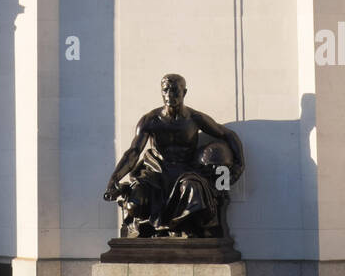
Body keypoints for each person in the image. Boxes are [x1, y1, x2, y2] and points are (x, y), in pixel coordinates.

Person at [104, 74, 243, 238]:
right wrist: (113, 180)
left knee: (193, 189)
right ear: (161, 92)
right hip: (156, 173)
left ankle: (184, 229)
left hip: (185, 171)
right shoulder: (150, 120)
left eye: (175, 91)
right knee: (135, 204)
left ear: (184, 92)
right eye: (166, 90)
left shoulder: (195, 118)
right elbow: (133, 152)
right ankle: (151, 227)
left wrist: (240, 164)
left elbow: (227, 134)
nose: (170, 95)